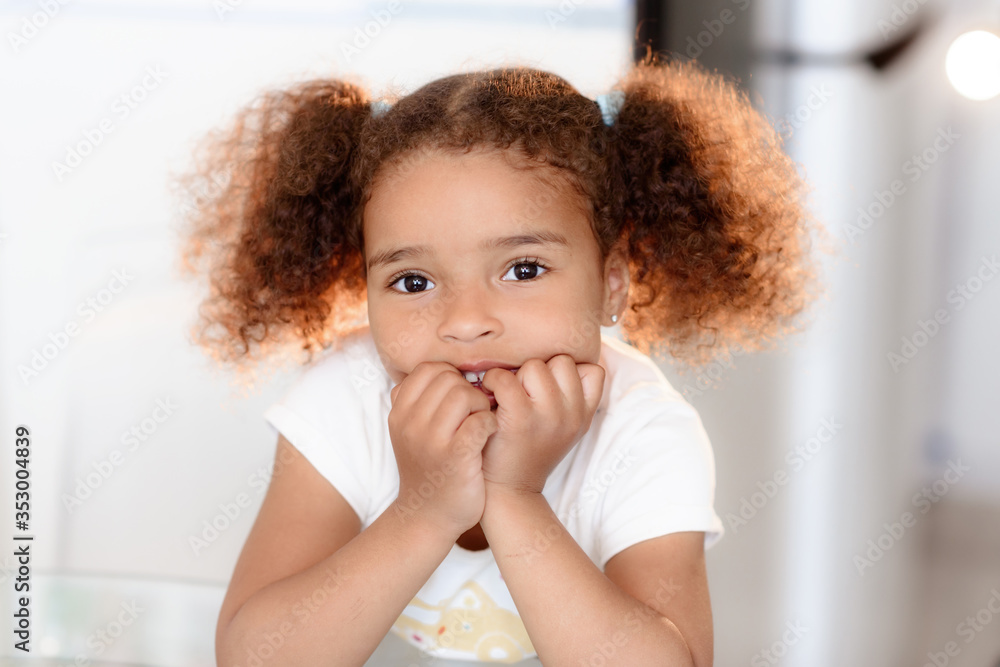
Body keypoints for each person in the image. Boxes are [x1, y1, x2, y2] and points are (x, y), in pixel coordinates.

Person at [176, 50, 820, 666]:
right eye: (413, 282)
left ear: (612, 283)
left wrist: (514, 496)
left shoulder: (645, 431)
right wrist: (422, 509)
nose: (465, 323)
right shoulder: (343, 399)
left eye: (523, 268)